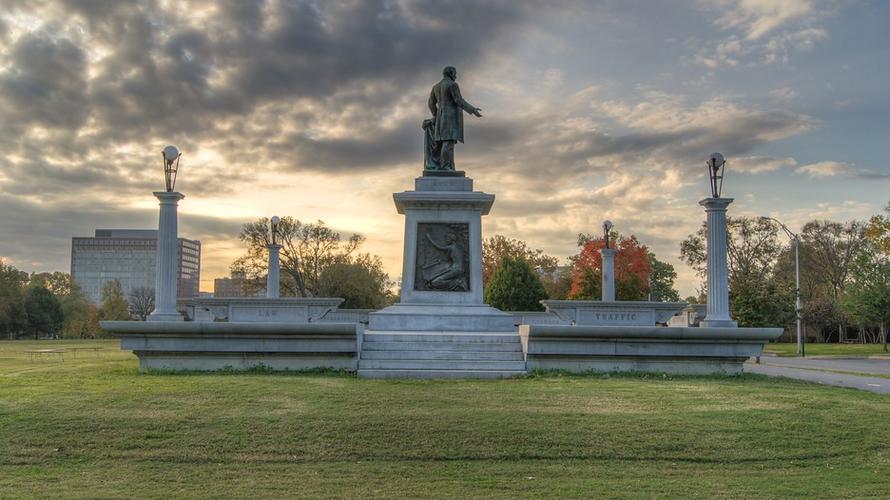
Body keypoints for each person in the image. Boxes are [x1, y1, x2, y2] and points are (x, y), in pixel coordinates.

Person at [427, 66, 482, 170]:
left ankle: (447, 166)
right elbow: (458, 100)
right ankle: (446, 167)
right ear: (451, 73)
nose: (456, 75)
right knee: (448, 142)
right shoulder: (453, 85)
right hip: (450, 117)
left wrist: (436, 115)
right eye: (455, 73)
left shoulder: (436, 87)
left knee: (442, 142)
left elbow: (431, 103)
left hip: (440, 117)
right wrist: (473, 110)